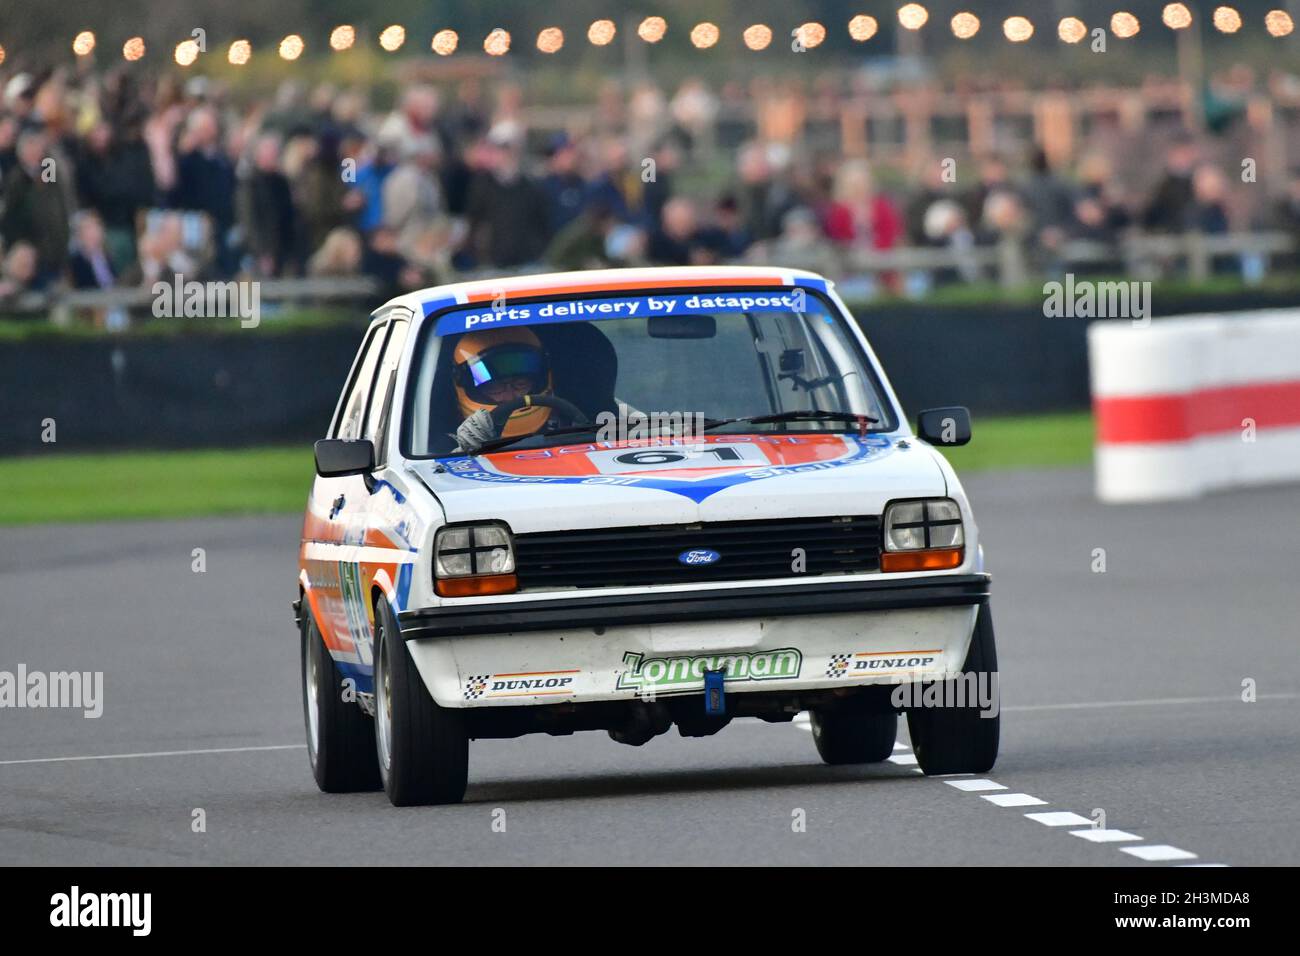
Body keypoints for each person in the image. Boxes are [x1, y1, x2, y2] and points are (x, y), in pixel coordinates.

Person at [452, 327, 553, 452]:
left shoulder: (573, 428)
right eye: (495, 387)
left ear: (538, 381)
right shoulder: (440, 449)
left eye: (520, 383)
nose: (510, 397)